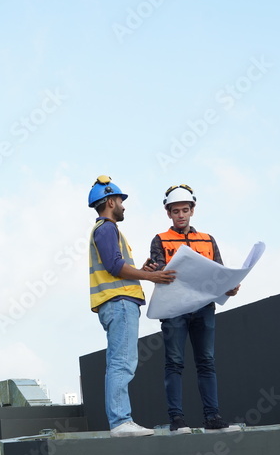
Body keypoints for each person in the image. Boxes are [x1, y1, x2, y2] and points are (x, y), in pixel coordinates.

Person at [148, 184, 241, 434]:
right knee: (174, 363)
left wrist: (230, 287)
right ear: (168, 213)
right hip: (174, 309)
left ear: (193, 210)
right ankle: (177, 419)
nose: (180, 215)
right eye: (176, 211)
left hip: (203, 308)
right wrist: (155, 270)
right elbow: (159, 272)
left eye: (185, 210)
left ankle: (213, 416)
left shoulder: (208, 240)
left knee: (206, 362)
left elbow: (220, 272)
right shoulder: (160, 240)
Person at [88, 175, 176, 437]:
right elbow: (115, 266)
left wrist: (141, 270)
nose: (124, 206)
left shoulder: (106, 230)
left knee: (120, 362)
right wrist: (151, 276)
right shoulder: (107, 228)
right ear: (110, 201)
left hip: (115, 304)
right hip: (119, 304)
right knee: (121, 363)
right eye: (120, 201)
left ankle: (120, 421)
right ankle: (120, 421)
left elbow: (116, 267)